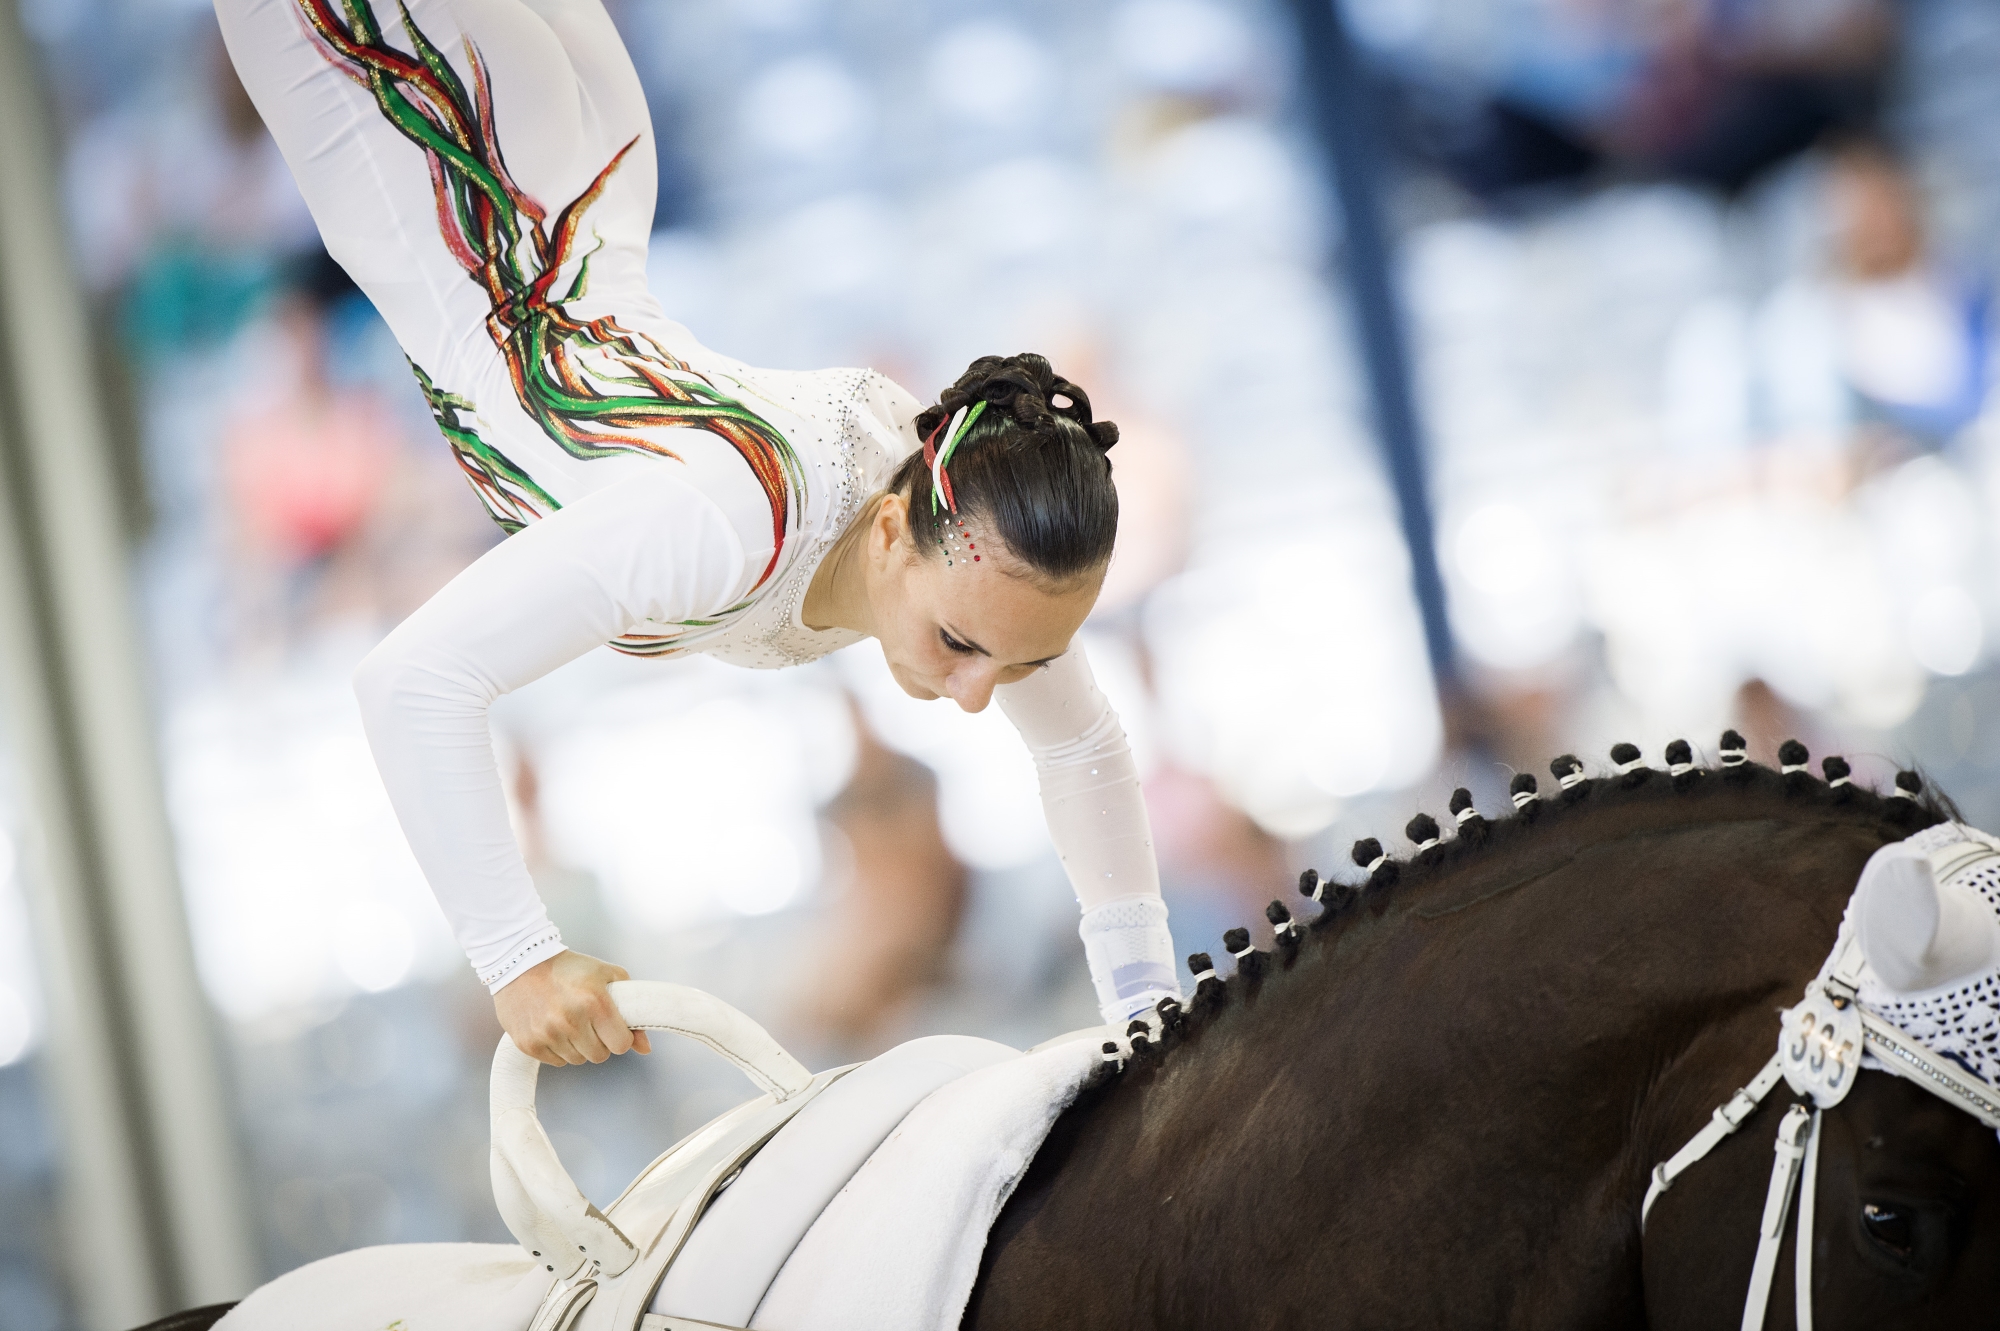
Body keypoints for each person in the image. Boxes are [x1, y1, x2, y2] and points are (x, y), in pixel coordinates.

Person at [213, 0, 1181, 1066]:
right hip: (442, 145)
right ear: (894, 530)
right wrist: (518, 959)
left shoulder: (967, 520)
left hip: (568, 185)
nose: (976, 696)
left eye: (1019, 660)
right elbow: (412, 683)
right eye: (962, 649)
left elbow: (1082, 740)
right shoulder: (723, 522)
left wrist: (1147, 1015)